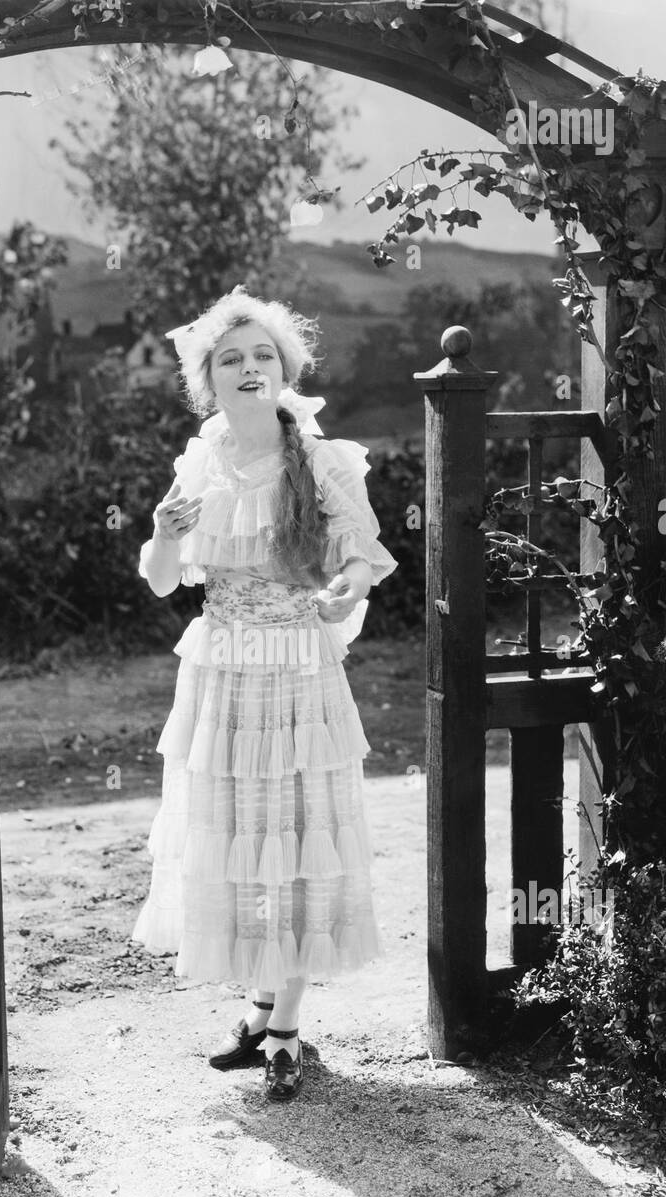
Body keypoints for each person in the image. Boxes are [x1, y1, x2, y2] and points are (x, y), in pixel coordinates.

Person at [134, 285, 398, 1101]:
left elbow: (362, 556)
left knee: (297, 826)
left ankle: (285, 1025)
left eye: (262, 356)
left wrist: (346, 590)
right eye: (229, 358)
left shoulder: (320, 460)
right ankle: (257, 1008)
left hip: (295, 664)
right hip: (219, 667)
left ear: (285, 370)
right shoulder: (199, 460)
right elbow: (160, 583)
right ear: (206, 378)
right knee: (241, 830)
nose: (249, 369)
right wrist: (161, 533)